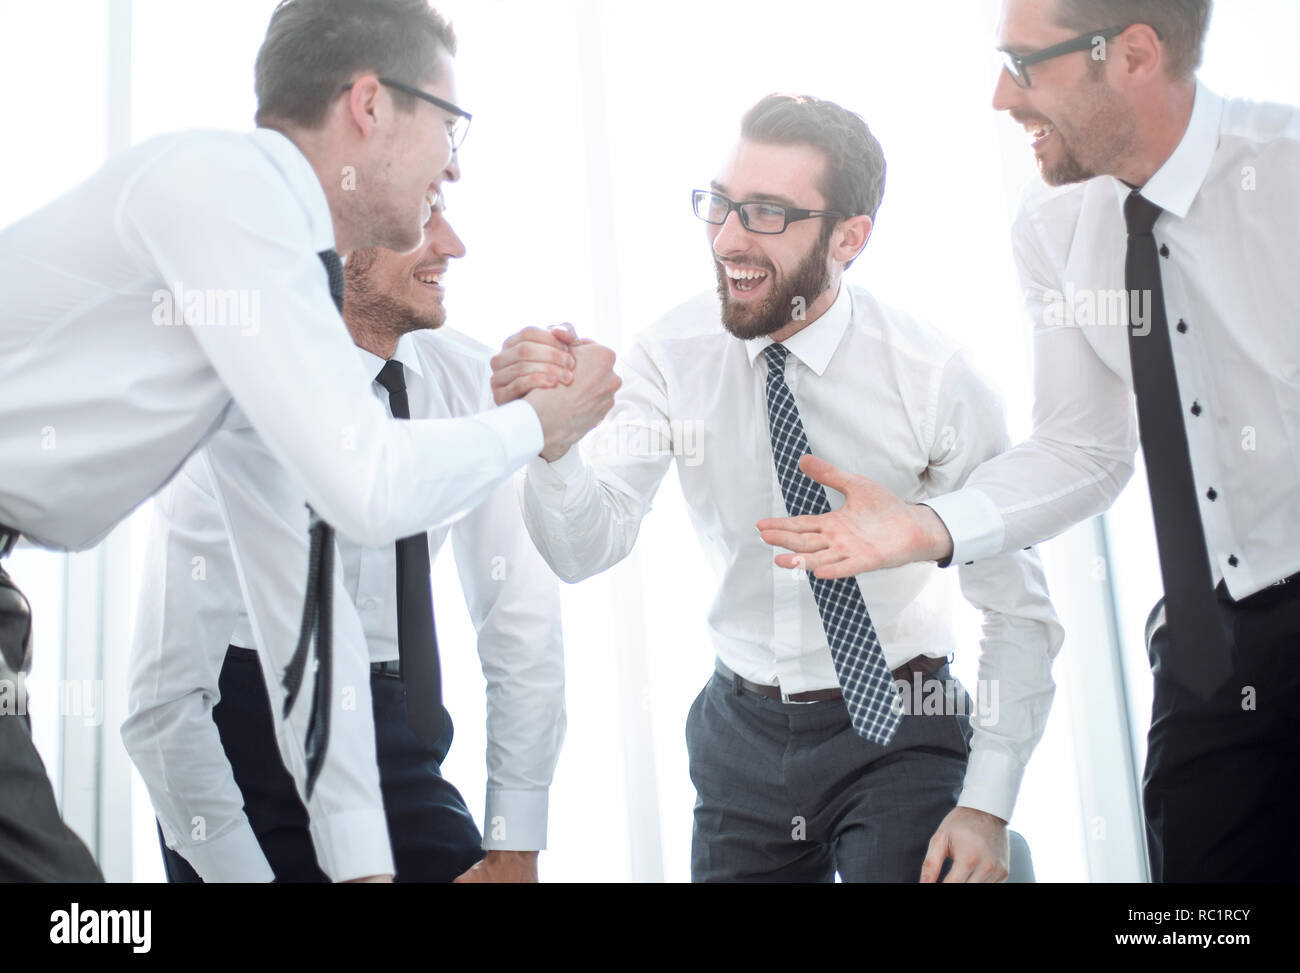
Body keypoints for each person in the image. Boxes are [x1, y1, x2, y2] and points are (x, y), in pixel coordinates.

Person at [0, 0, 615, 882]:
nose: (454, 163)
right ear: (370, 104)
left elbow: (304, 614)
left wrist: (361, 871)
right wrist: (535, 425)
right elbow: (369, 484)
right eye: (450, 126)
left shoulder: (268, 315)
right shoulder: (222, 188)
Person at [756, 0, 1300, 882]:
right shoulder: (1053, 229)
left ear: (1130, 55)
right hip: (1211, 646)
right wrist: (927, 527)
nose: (1001, 99)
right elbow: (1085, 448)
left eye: (1025, 65)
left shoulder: (1285, 173)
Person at [492, 94, 1064, 882]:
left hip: (902, 726)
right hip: (740, 735)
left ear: (849, 237)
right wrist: (553, 448)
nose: (727, 239)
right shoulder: (671, 352)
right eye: (720, 205)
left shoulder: (934, 378)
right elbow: (587, 548)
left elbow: (1017, 607)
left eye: (764, 213)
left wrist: (988, 805)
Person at [124, 198, 564, 883]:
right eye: (423, 222)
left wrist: (512, 847)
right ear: (342, 241)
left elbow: (521, 629)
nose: (454, 245)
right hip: (240, 744)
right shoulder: (235, 404)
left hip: (397, 730)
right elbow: (165, 705)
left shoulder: (475, 384)